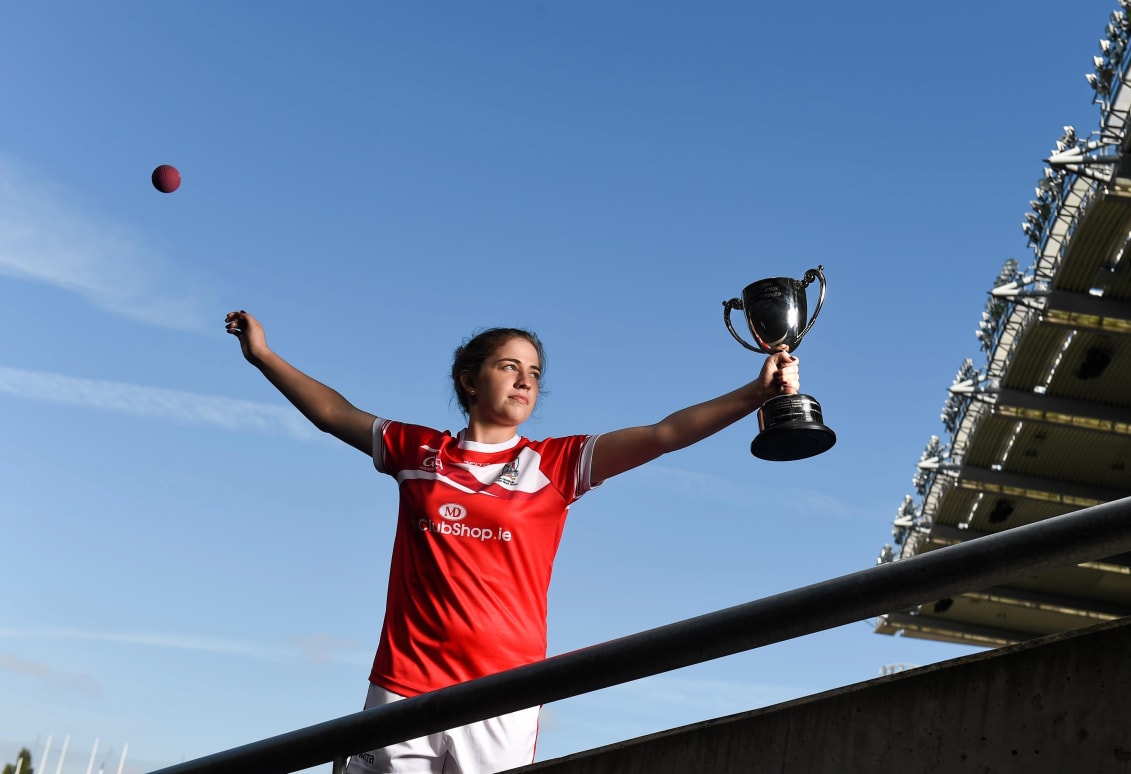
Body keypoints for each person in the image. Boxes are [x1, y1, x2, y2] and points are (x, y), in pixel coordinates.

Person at [223, 309, 801, 774]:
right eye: (509, 366)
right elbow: (332, 412)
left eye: (534, 371)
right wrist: (264, 357)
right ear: (469, 380)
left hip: (505, 694)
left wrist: (754, 394)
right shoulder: (417, 451)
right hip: (404, 686)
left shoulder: (557, 463)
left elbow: (663, 434)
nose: (527, 379)